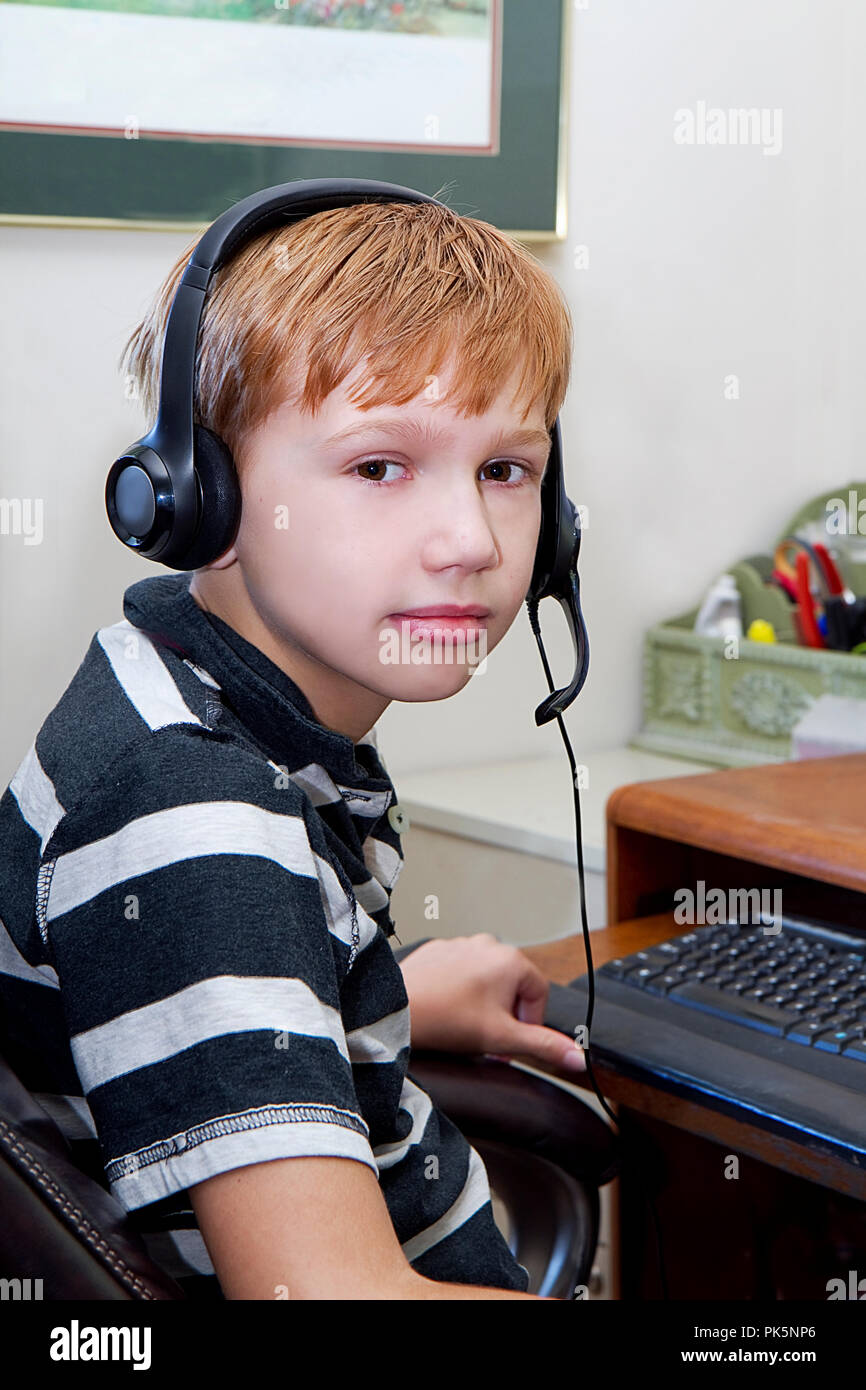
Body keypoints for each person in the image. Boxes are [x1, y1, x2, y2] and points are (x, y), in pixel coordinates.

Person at [0, 195, 586, 1300]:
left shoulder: (183, 703)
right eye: (379, 467)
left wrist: (377, 997)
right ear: (198, 497)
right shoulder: (188, 809)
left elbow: (183, 979)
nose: (469, 541)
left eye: (505, 471)